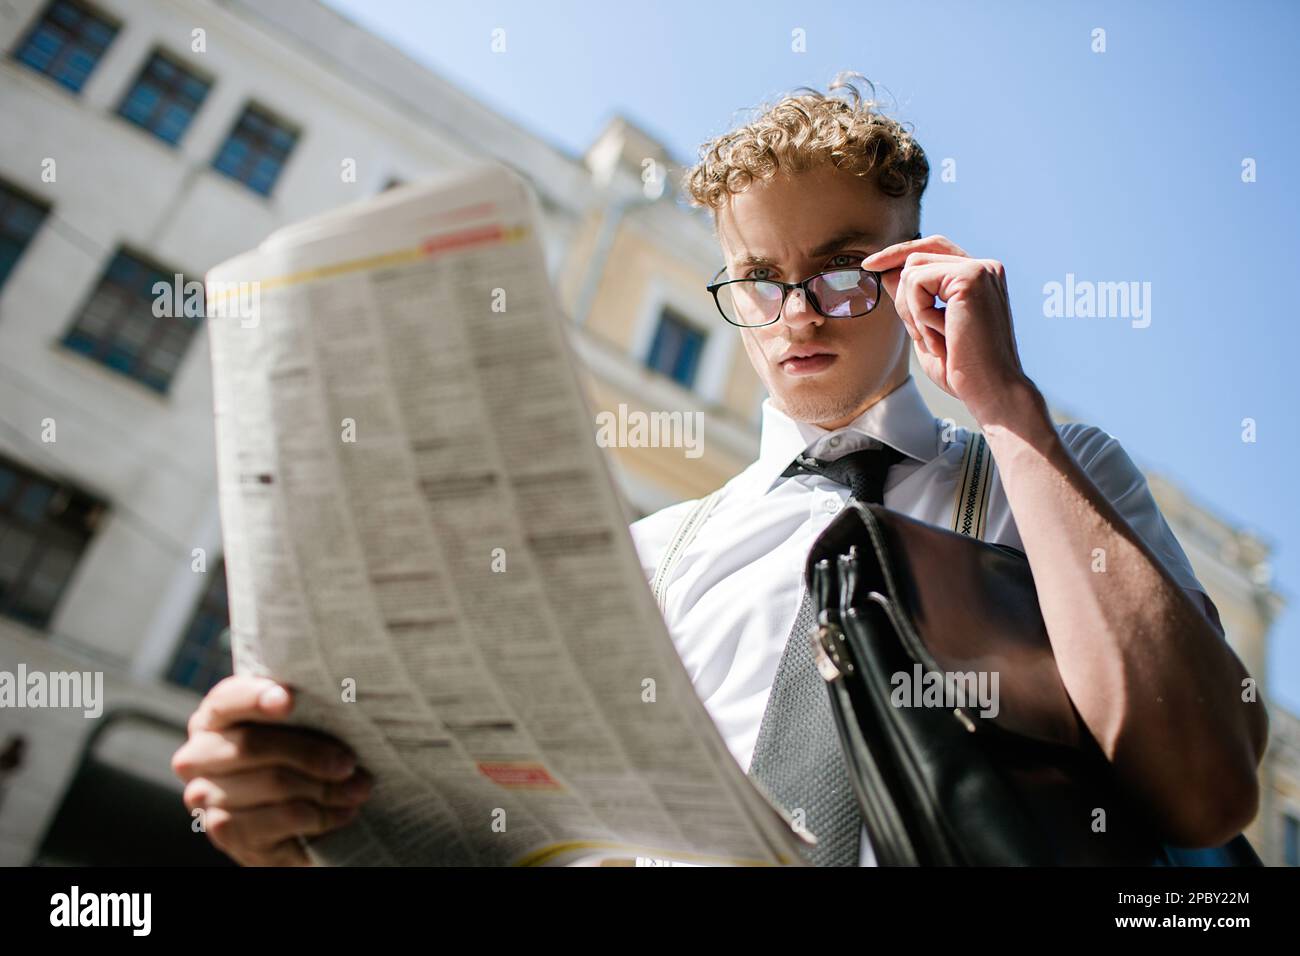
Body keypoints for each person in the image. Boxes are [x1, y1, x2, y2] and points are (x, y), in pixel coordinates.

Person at [172, 72, 1267, 867]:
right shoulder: (653, 556)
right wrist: (296, 819)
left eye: (844, 271)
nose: (795, 313)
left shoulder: (1046, 473)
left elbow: (1205, 788)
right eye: (756, 279)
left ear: (919, 269)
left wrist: (1006, 406)